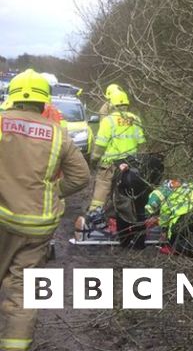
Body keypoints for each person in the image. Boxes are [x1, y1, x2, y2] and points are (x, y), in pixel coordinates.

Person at [0, 70, 90, 350]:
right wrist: (51, 191)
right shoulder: (58, 134)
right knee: (23, 293)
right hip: (38, 225)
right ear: (44, 102)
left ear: (13, 97)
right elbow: (81, 177)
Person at [86, 87, 146, 225]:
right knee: (124, 193)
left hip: (110, 164)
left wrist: (94, 160)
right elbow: (142, 143)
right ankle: (122, 219)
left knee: (101, 191)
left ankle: (94, 218)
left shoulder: (108, 121)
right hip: (130, 164)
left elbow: (100, 145)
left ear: (112, 104)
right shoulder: (135, 119)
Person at [146, 181, 193, 257]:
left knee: (178, 244)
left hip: (181, 222)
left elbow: (165, 211)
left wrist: (164, 229)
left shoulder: (179, 191)